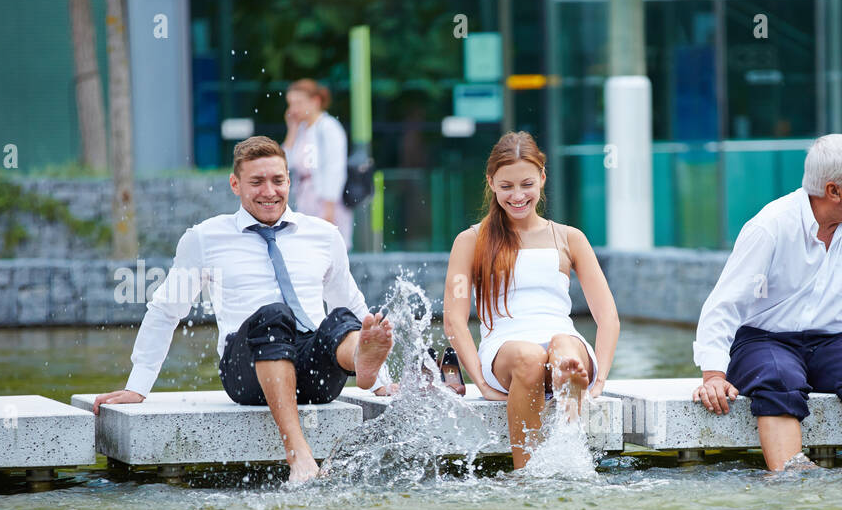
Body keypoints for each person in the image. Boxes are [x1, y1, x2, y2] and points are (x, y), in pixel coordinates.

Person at [92, 136, 395, 484]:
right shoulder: (204, 238)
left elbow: (353, 306)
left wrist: (382, 382)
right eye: (257, 182)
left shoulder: (324, 235)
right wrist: (138, 385)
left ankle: (363, 365)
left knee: (342, 318)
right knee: (274, 315)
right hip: (246, 370)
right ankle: (298, 453)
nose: (270, 191)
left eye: (278, 180)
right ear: (235, 184)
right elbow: (165, 310)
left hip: (314, 370)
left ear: (289, 181)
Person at [692, 133, 842, 473]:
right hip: (764, 339)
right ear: (833, 191)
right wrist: (714, 375)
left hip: (834, 340)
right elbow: (724, 303)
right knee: (777, 378)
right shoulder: (770, 225)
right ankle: (791, 479)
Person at [442, 131, 620, 470]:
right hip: (506, 351)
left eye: (526, 184)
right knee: (530, 356)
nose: (518, 195)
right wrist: (480, 381)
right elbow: (454, 318)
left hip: (565, 340)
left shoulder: (570, 238)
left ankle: (569, 380)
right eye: (507, 186)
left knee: (562, 346)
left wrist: (600, 380)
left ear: (542, 177)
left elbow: (608, 315)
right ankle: (528, 475)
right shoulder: (470, 241)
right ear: (491, 182)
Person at [283, 79, 354, 248]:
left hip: (326, 199)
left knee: (329, 247)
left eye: (299, 103)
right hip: (306, 197)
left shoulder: (328, 127)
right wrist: (291, 129)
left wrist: (328, 206)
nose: (293, 110)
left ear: (315, 101)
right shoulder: (302, 129)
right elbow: (284, 162)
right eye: (291, 104)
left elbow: (335, 167)